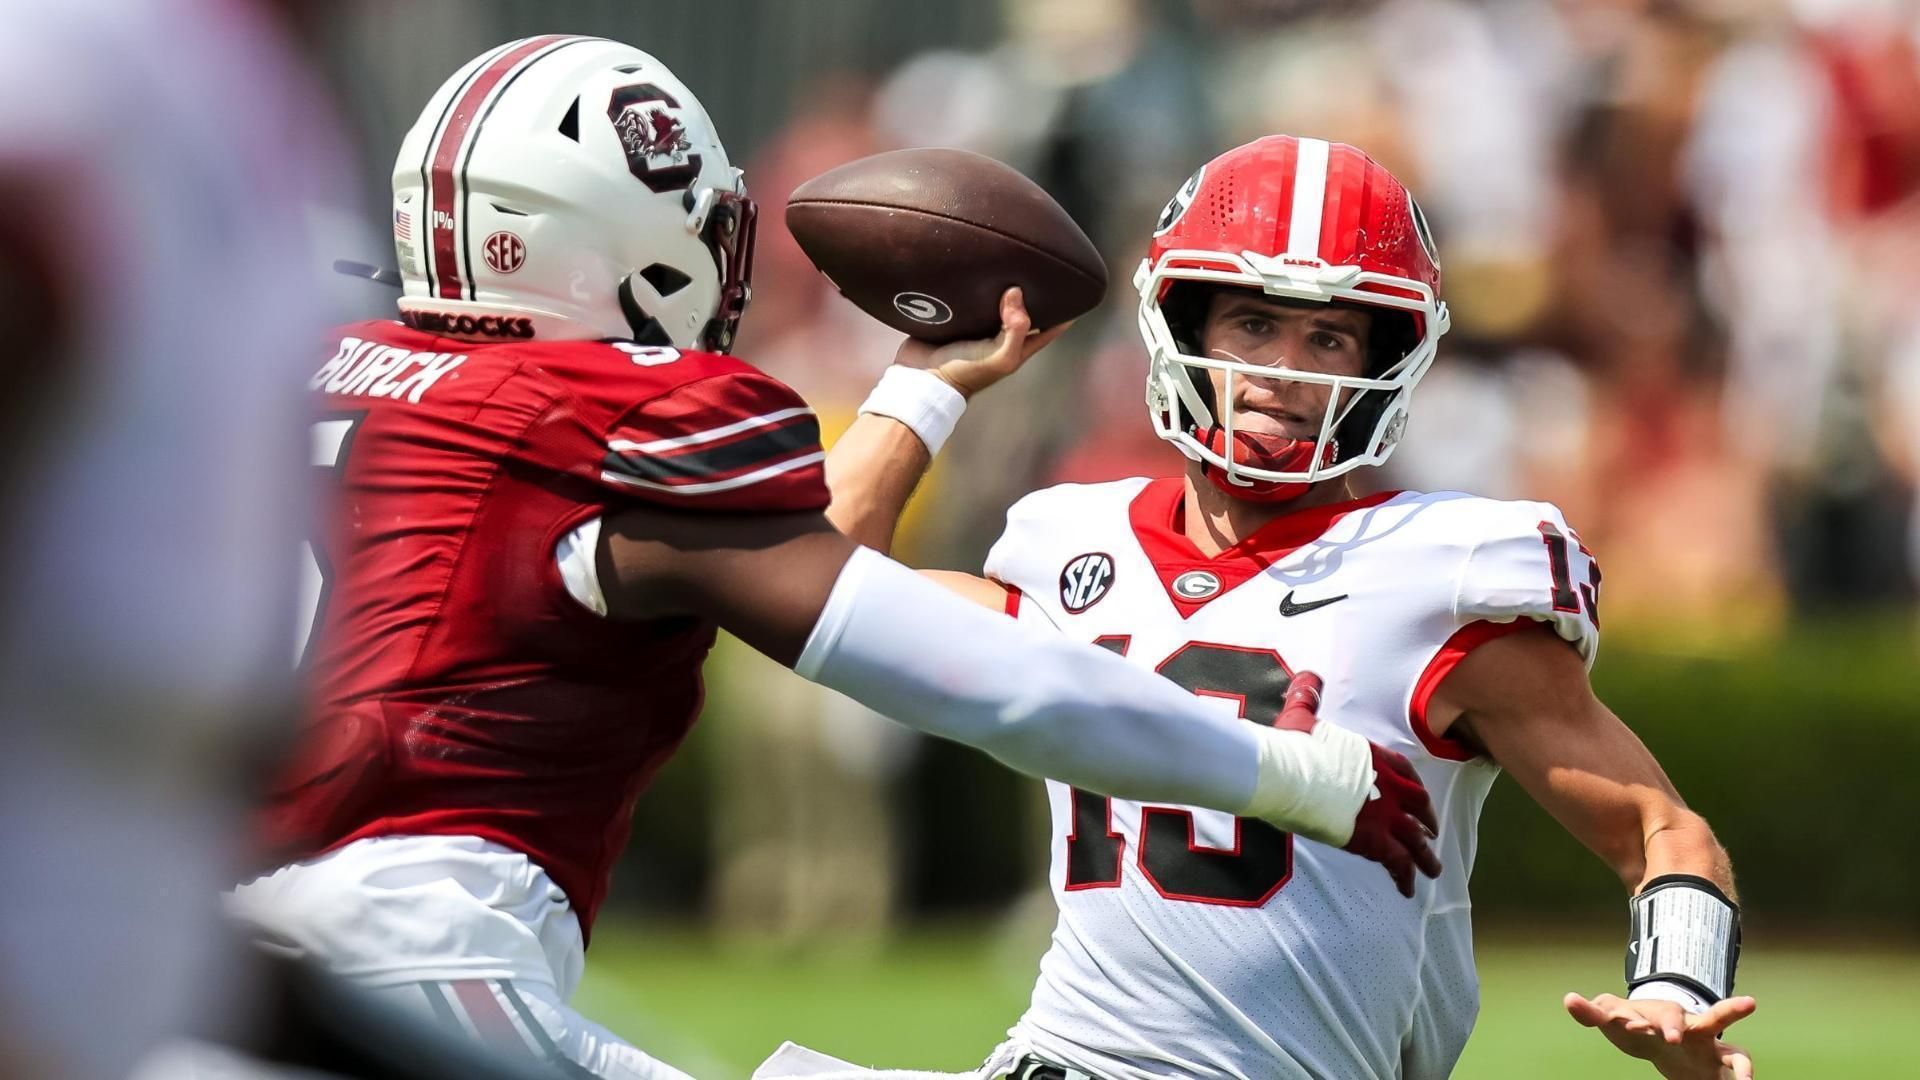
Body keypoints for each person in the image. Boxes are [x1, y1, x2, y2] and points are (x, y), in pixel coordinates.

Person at [229, 39, 1442, 1080]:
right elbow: (984, 679)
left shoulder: (325, 370)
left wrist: (918, 390)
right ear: (630, 241)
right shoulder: (597, 420)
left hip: (207, 948)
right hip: (411, 948)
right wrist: (1293, 775)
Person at [776, 136, 1757, 1080]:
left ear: (1383, 363)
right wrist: (925, 383)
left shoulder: (1440, 571)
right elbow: (816, 589)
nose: (1284, 369)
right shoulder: (1072, 540)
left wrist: (1677, 991)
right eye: (1253, 325)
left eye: (1327, 337)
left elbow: (1662, 832)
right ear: (1186, 330)